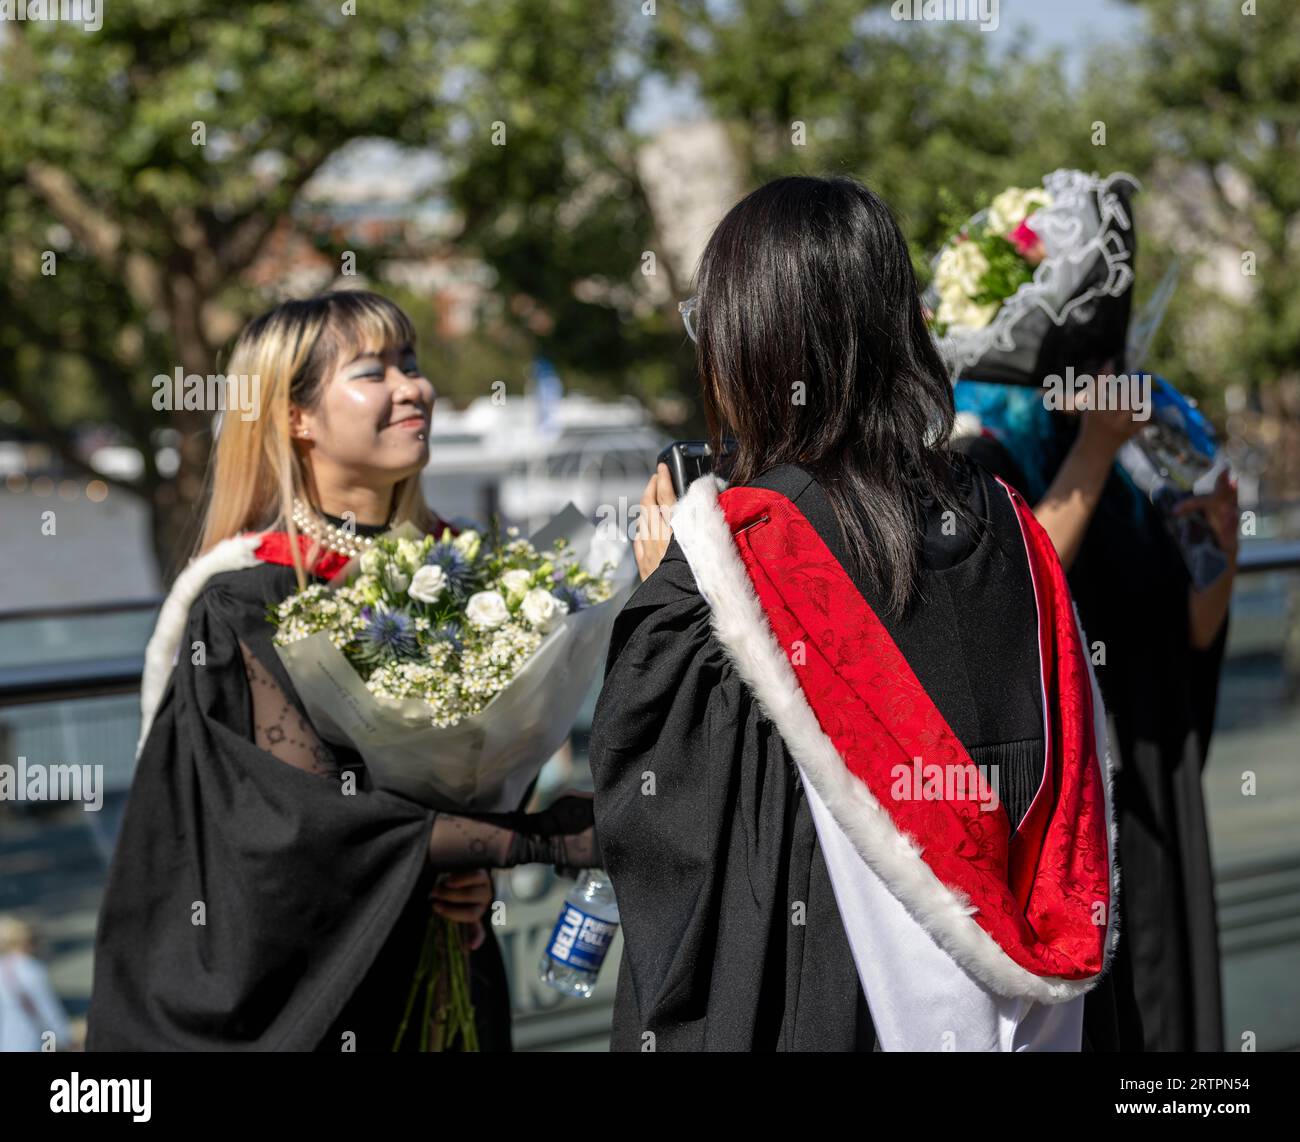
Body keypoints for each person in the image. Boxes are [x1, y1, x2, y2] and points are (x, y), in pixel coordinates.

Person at [590, 176, 1125, 1052]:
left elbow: (671, 845)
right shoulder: (1009, 522)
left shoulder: (734, 554)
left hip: (829, 998)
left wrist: (666, 591)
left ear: (751, 338)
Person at [86, 290, 598, 1052]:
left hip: (448, 955)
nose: (411, 389)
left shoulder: (467, 575)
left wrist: (470, 867)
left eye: (412, 364)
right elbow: (301, 829)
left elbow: (451, 787)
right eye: (372, 372)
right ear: (296, 417)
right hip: (327, 997)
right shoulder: (244, 601)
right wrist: (530, 840)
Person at [953, 372, 1238, 1051]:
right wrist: (1097, 446)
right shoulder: (981, 448)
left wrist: (1221, 551)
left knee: (1173, 1011)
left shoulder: (1140, 470)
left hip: (1151, 775)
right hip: (1073, 798)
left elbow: (1190, 633)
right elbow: (1013, 585)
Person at [0, 915, 73, 1052]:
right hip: (29, 1044)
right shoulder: (31, 970)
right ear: (29, 942)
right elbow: (49, 1014)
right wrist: (63, 1039)